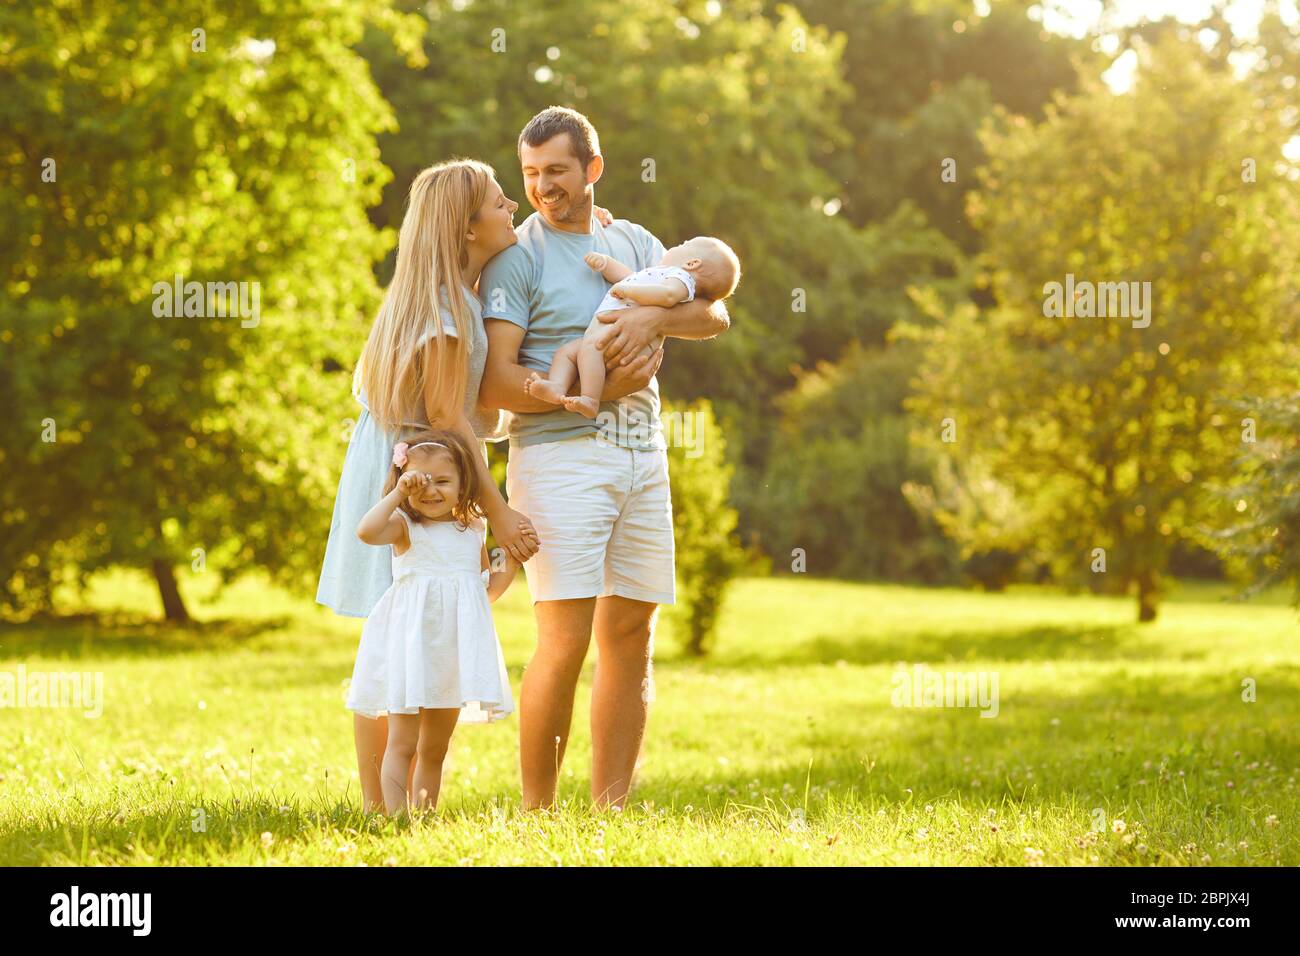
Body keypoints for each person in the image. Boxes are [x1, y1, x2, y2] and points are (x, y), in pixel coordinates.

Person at [479, 106, 733, 810]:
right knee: (564, 640)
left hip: (642, 455)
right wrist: (590, 393)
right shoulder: (518, 257)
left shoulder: (633, 239)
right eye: (530, 173)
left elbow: (714, 311)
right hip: (560, 459)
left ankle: (609, 811)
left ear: (593, 168)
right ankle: (538, 813)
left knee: (630, 632)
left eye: (557, 170)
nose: (542, 187)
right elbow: (495, 380)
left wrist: (654, 316)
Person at [316, 159, 539, 811]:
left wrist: (595, 225)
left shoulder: (450, 296)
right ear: (466, 228)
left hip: (412, 459)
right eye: (500, 203)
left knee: (403, 639)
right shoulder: (446, 312)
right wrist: (498, 510)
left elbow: (462, 412)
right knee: (394, 643)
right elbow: (445, 416)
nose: (512, 210)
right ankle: (379, 803)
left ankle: (394, 800)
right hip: (413, 471)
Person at [347, 430, 518, 815]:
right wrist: (397, 494)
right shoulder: (404, 527)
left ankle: (425, 817)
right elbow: (366, 531)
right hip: (411, 652)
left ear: (463, 485)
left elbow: (483, 590)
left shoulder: (472, 530)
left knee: (435, 748)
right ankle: (396, 818)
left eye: (443, 481)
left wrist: (510, 560)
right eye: (420, 482)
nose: (431, 491)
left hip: (451, 654)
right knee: (402, 744)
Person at [524, 237, 742, 418]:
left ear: (692, 263)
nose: (676, 245)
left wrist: (629, 292)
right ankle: (557, 386)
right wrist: (606, 264)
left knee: (590, 351)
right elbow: (629, 277)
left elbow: (668, 296)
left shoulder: (681, 279)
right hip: (606, 332)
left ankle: (590, 399)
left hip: (614, 336)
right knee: (567, 353)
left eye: (684, 244)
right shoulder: (659, 274)